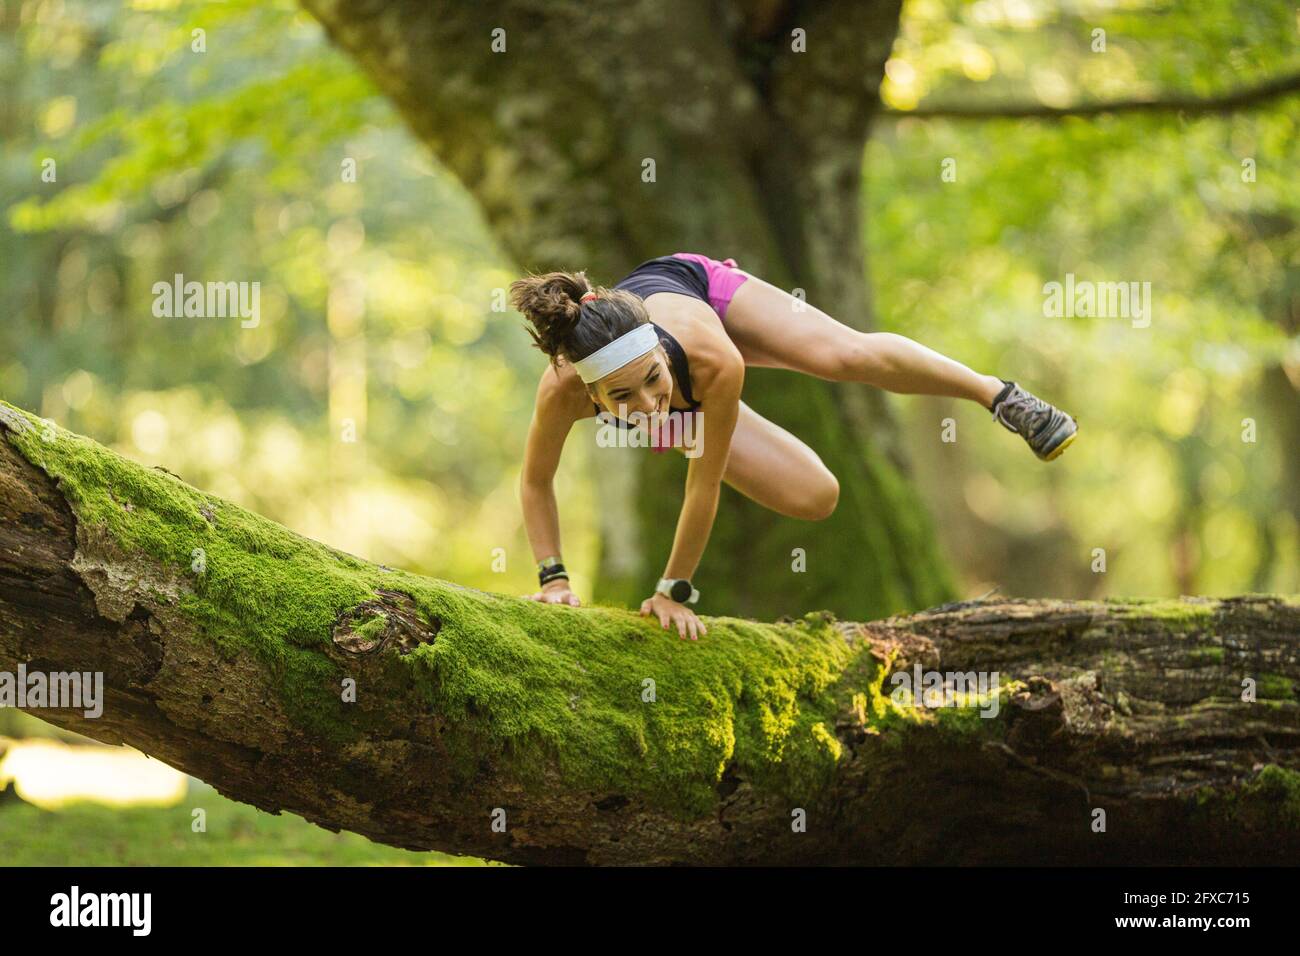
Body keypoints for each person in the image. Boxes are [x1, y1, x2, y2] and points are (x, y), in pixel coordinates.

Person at [509, 253, 1077, 640]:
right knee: (815, 495)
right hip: (672, 395)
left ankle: (995, 393)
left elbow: (701, 485)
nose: (648, 401)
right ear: (589, 392)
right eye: (622, 396)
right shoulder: (562, 393)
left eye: (653, 379)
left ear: (660, 352)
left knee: (844, 357)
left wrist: (671, 591)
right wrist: (553, 579)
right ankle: (647, 410)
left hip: (699, 291)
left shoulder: (715, 362)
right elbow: (536, 481)